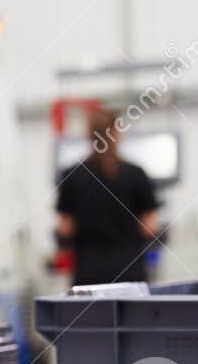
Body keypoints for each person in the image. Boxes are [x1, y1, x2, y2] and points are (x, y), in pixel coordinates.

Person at [54, 106, 161, 286]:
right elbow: (149, 227)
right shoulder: (135, 174)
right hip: (130, 271)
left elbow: (65, 228)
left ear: (89, 134)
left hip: (88, 273)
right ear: (117, 133)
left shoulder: (73, 175)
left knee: (90, 315)